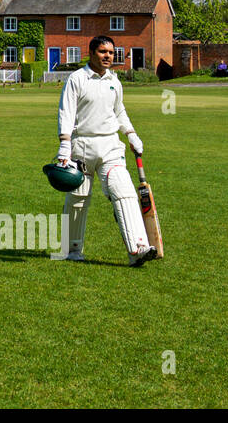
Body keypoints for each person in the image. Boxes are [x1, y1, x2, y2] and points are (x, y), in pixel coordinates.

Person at [55, 35, 156, 267]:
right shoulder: (77, 79)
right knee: (78, 198)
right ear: (91, 53)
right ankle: (72, 249)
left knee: (124, 191)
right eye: (102, 52)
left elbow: (119, 111)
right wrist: (64, 145)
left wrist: (130, 134)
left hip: (110, 145)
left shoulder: (114, 81)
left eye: (111, 52)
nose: (108, 56)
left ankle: (137, 249)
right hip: (82, 145)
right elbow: (66, 112)